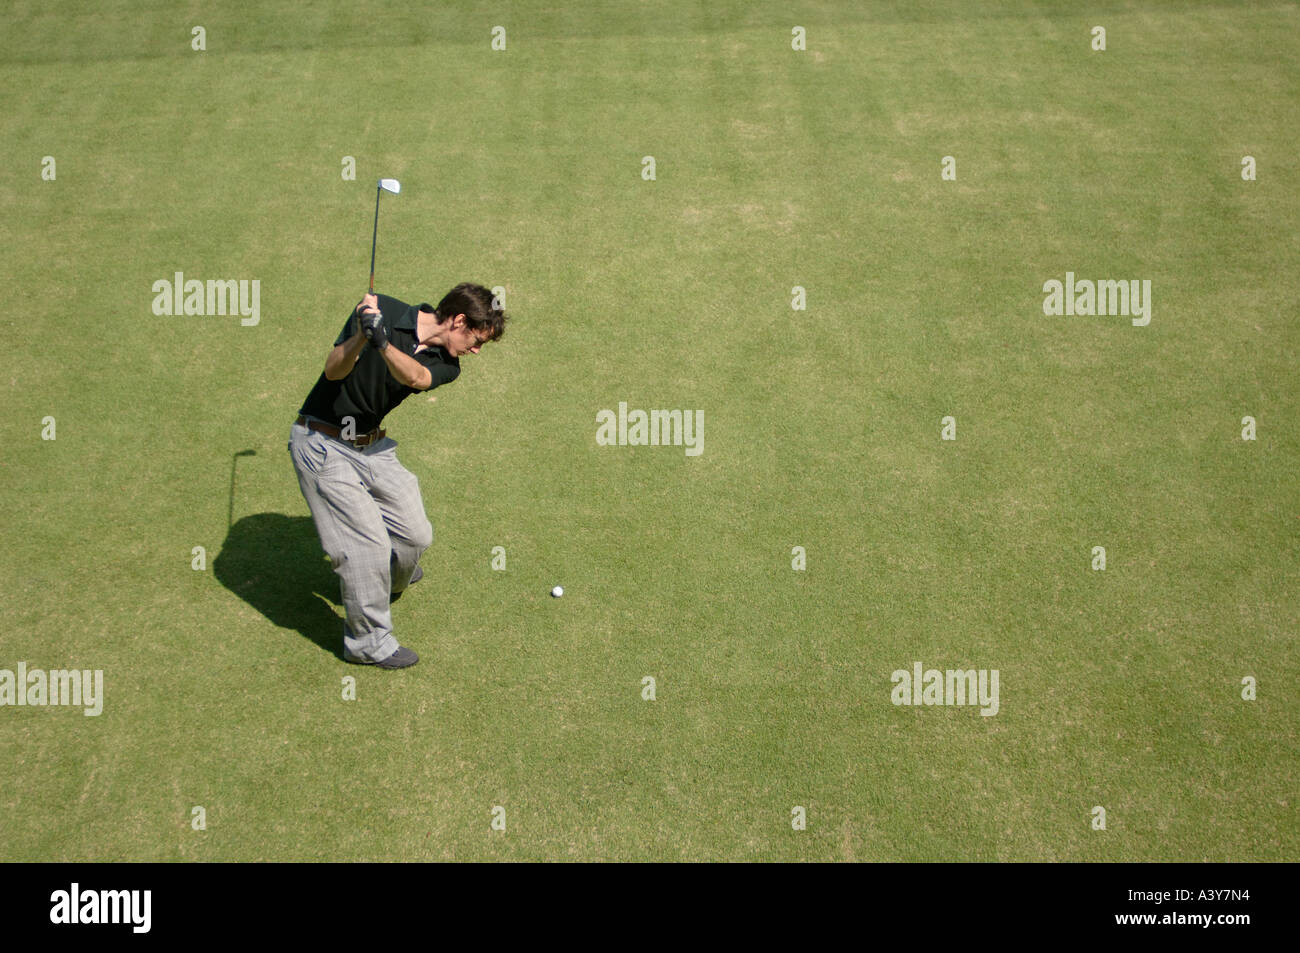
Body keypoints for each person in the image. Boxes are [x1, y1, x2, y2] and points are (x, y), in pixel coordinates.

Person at [288, 284, 506, 668]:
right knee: (364, 549)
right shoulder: (382, 309)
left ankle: (379, 581)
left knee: (415, 534)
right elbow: (333, 370)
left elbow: (417, 378)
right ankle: (368, 644)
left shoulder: (447, 364)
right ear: (459, 321)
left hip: (371, 447)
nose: (475, 351)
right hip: (322, 440)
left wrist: (383, 344)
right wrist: (362, 334)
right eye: (477, 340)